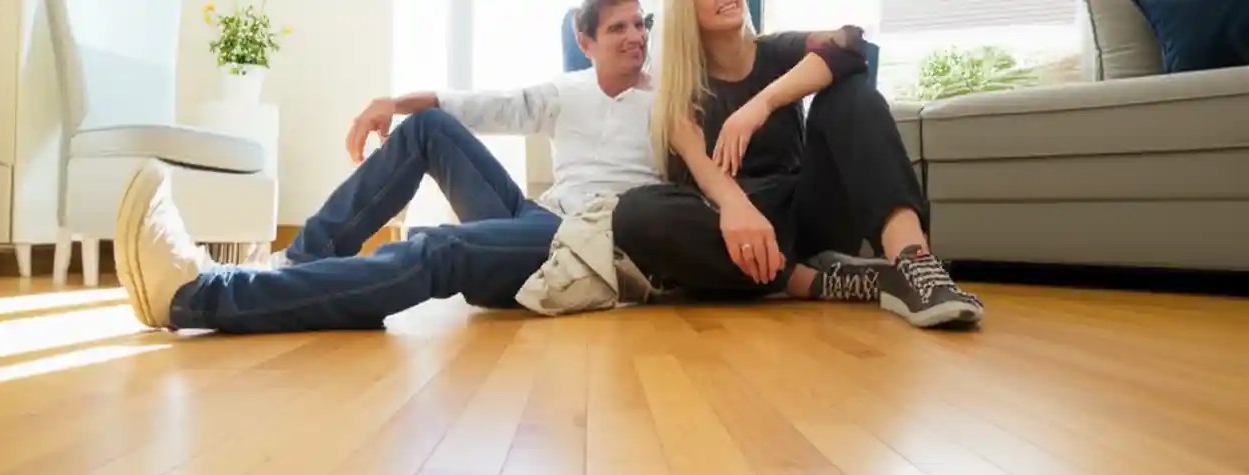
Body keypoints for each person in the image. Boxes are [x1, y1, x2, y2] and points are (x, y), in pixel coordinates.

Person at [113, 0, 664, 333]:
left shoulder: (669, 97)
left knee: (437, 247)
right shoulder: (564, 91)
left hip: (585, 241)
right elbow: (479, 105)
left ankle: (203, 296)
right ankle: (296, 261)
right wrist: (392, 104)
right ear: (584, 40)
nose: (635, 37)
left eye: (641, 25)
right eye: (619, 28)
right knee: (428, 127)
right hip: (539, 220)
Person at [611, 0, 984, 328]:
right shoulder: (680, 89)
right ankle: (812, 281)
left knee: (850, 91)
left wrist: (762, 104)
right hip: (735, 235)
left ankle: (916, 267)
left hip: (808, 214)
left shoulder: (775, 52)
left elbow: (852, 44)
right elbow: (700, 170)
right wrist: (737, 206)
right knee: (634, 213)